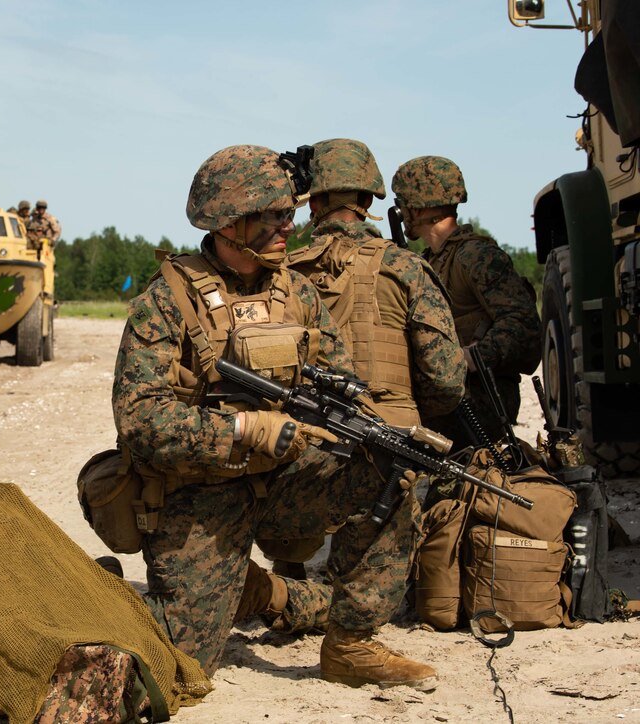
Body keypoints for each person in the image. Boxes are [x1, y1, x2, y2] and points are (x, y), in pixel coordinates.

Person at [112, 144, 438, 691]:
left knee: (388, 469)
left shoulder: (298, 293)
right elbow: (140, 419)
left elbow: (341, 381)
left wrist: (367, 426)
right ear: (231, 223)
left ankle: (350, 644)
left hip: (284, 484)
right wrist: (242, 429)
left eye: (291, 214)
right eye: (276, 216)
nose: (291, 226)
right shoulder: (167, 300)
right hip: (199, 498)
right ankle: (259, 593)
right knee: (180, 673)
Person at [257, 139, 466, 595]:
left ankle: (287, 575)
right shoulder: (406, 268)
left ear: (312, 202)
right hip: (387, 448)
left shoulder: (280, 274)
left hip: (300, 450)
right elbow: (447, 380)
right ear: (369, 202)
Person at [391, 156, 540, 447]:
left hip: (479, 403)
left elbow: (522, 325)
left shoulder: (475, 256)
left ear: (417, 207)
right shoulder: (428, 262)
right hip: (448, 402)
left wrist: (467, 359)